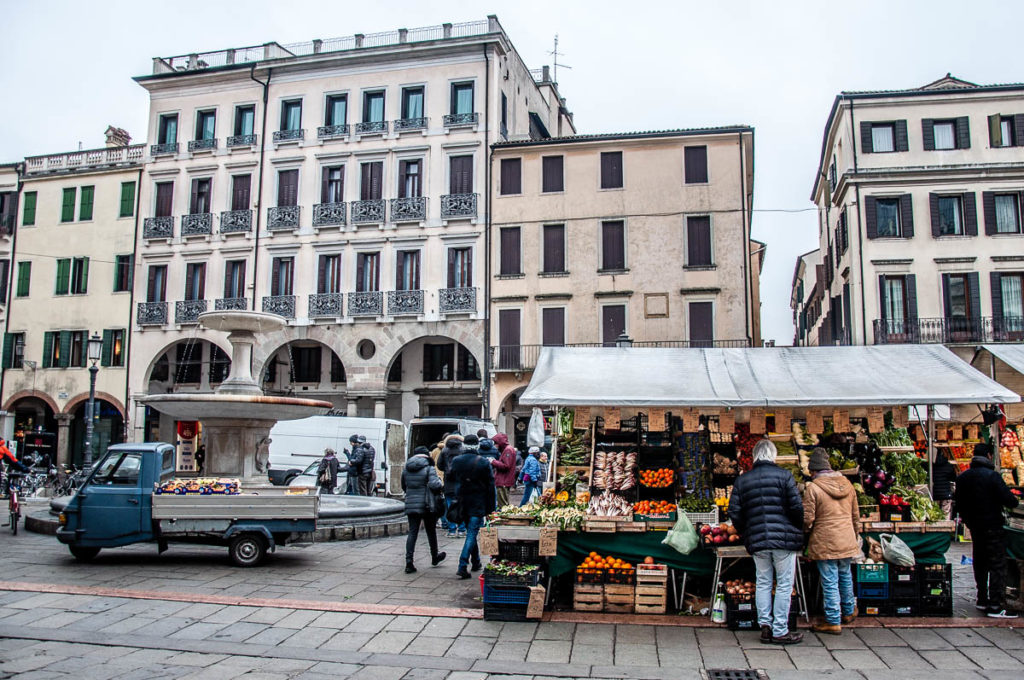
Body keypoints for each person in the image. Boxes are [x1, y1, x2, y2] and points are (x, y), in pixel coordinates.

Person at [729, 438, 804, 645]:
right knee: (784, 584)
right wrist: (794, 527)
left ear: (754, 456)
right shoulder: (785, 476)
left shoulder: (743, 480)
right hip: (784, 541)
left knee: (762, 581)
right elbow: (797, 508)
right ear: (773, 455)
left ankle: (765, 626)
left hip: (758, 540)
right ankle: (780, 629)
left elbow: (734, 511)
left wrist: (747, 530)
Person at [954, 442, 1020, 618]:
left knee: (980, 563)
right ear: (989, 456)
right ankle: (995, 605)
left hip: (975, 527)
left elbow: (958, 504)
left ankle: (982, 598)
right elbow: (1009, 500)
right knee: (997, 564)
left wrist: (968, 521)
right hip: (993, 526)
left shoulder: (963, 477)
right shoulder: (992, 477)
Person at [802, 448, 861, 635]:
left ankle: (833, 620)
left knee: (829, 580)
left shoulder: (813, 488)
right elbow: (855, 516)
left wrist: (805, 533)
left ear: (813, 471)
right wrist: (855, 535)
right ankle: (849, 611)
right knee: (845, 574)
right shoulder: (848, 484)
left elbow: (807, 519)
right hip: (846, 538)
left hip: (825, 540)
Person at [448, 441, 496, 579]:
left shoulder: (457, 461)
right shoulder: (483, 462)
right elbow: (490, 486)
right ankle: (462, 564)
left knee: (471, 530)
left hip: (462, 502)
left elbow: (450, 476)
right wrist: (491, 508)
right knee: (471, 534)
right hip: (478, 503)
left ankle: (476, 562)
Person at [401, 446, 446, 573]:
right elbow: (434, 485)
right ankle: (434, 556)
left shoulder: (406, 469)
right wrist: (440, 483)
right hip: (428, 504)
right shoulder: (429, 468)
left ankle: (409, 561)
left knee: (413, 532)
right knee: (431, 531)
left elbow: (404, 486)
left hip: (411, 503)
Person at [436, 436, 465, 537]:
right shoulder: (463, 449)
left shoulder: (444, 450)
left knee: (449, 506)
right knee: (461, 505)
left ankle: (452, 530)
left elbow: (439, 465)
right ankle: (462, 529)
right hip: (461, 481)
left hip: (449, 482)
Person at [491, 433, 517, 508]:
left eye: (496, 443)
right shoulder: (508, 449)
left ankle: (504, 519)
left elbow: (506, 466)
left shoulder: (508, 450)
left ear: (500, 442)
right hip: (504, 480)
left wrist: (493, 462)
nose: (495, 445)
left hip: (503, 481)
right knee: (504, 504)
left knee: (503, 506)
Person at [932, 449, 958, 520]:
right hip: (946, 494)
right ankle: (945, 530)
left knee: (935, 515)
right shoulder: (949, 466)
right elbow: (953, 478)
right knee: (945, 515)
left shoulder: (932, 466)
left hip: (935, 493)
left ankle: (936, 529)